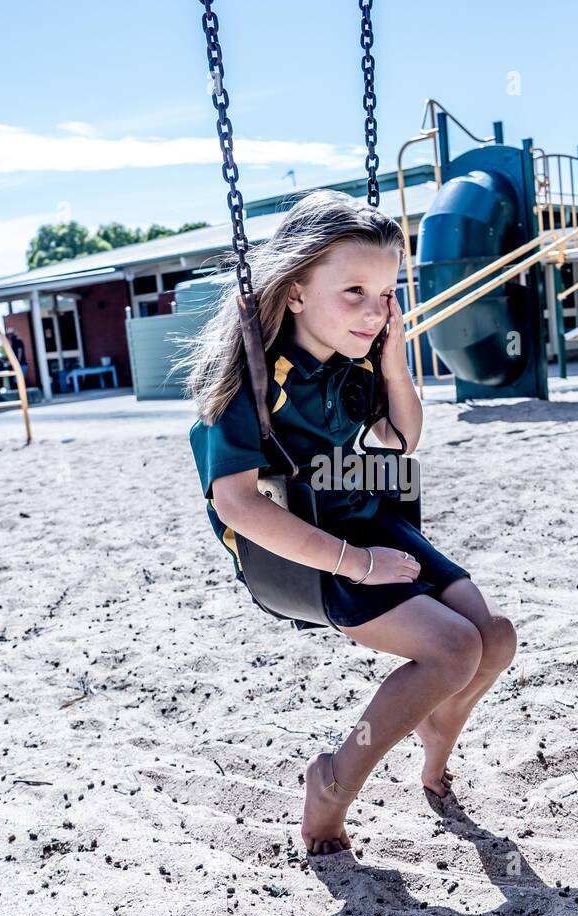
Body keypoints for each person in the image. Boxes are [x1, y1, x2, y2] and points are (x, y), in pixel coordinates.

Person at [180, 190, 517, 857]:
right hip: (306, 549)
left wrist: (392, 358)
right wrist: (358, 564)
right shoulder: (249, 382)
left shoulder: (357, 362)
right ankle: (335, 779)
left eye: (387, 293)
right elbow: (238, 505)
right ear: (297, 290)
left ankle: (434, 723)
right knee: (452, 650)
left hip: (367, 515)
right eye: (354, 291)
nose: (374, 309)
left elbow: (400, 441)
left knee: (494, 638)